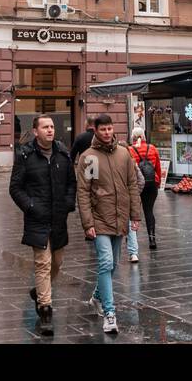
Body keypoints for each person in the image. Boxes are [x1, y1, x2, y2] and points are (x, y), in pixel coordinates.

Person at [9, 113, 76, 336]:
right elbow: (15, 188)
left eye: (52, 127)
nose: (50, 130)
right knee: (43, 263)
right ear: (35, 131)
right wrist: (30, 206)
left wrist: (67, 203)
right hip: (37, 218)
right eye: (45, 127)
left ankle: (38, 291)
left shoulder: (63, 153)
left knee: (57, 262)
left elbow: (71, 184)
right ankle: (45, 309)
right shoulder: (26, 155)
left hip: (58, 218)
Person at [75, 113, 142, 335]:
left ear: (114, 129)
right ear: (95, 130)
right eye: (102, 129)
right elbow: (83, 192)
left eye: (110, 129)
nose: (106, 133)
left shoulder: (124, 154)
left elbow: (132, 185)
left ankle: (96, 297)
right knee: (105, 262)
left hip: (120, 216)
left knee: (113, 265)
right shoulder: (89, 157)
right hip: (99, 218)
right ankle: (110, 313)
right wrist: (87, 223)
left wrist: (135, 215)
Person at [125, 127, 162, 261]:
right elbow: (158, 167)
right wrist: (158, 183)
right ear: (144, 136)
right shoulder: (152, 148)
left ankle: (131, 241)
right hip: (152, 183)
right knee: (149, 211)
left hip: (136, 184)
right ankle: (152, 239)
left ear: (133, 138)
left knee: (133, 212)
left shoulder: (129, 150)